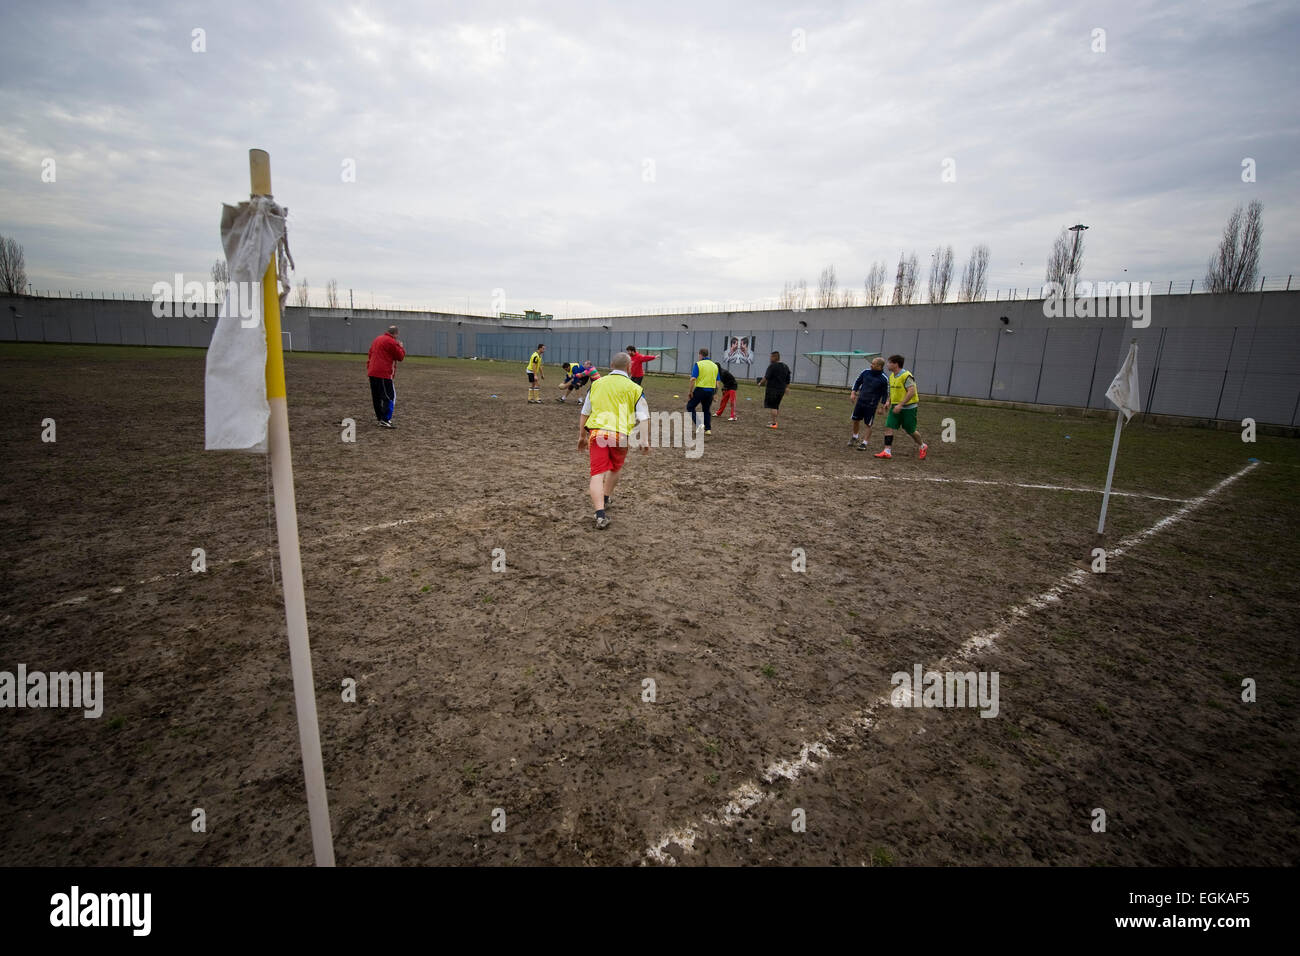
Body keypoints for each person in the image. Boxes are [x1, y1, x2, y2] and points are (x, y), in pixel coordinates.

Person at [579, 352, 650, 530]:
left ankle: (600, 513)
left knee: (597, 474)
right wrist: (645, 440)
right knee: (615, 468)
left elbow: (585, 413)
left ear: (611, 365)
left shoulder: (597, 384)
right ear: (629, 367)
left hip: (597, 434)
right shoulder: (634, 388)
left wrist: (582, 436)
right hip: (620, 436)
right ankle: (605, 497)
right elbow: (644, 416)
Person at [874, 354, 929, 460]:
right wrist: (888, 402)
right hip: (895, 407)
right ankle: (887, 451)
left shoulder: (906, 375)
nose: (888, 365)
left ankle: (922, 445)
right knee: (888, 426)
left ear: (896, 364)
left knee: (910, 430)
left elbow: (911, 392)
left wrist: (900, 405)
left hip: (908, 408)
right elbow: (892, 391)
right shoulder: (891, 376)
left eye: (890, 363)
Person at [367, 325, 405, 428]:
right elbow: (400, 356)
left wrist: (369, 368)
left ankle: (380, 418)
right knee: (390, 396)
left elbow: (370, 354)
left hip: (372, 372)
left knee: (377, 397)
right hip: (383, 373)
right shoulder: (391, 342)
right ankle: (385, 419)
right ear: (396, 334)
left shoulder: (377, 339)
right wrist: (401, 347)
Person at [848, 356, 889, 449]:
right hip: (860, 401)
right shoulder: (865, 372)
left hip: (871, 405)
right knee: (855, 420)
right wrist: (853, 392)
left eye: (873, 364)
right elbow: (857, 382)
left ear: (879, 366)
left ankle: (864, 443)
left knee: (868, 424)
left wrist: (882, 406)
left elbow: (885, 393)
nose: (871, 365)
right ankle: (855, 437)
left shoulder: (884, 378)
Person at [686, 347, 720, 435]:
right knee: (706, 409)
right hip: (711, 391)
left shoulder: (698, 364)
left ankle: (700, 424)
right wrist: (715, 393)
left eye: (698, 355)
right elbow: (717, 382)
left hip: (700, 389)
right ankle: (708, 429)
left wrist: (690, 392)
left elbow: (693, 379)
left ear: (700, 354)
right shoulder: (715, 366)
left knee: (690, 406)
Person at [757, 350, 791, 429]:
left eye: (771, 357)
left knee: (773, 406)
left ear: (775, 357)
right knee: (776, 406)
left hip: (773, 389)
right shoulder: (785, 366)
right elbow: (788, 379)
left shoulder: (772, 366)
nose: (770, 359)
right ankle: (773, 421)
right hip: (781, 390)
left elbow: (766, 377)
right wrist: (787, 387)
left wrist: (760, 383)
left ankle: (774, 423)